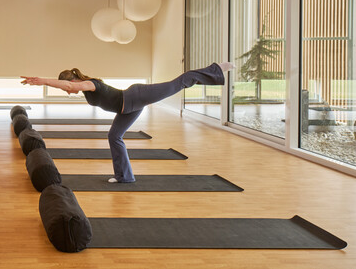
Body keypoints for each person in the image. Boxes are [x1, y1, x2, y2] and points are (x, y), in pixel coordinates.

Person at [20, 62, 234, 183]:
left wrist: (42, 81)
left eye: (68, 86)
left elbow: (70, 86)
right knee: (114, 136)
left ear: (73, 81)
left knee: (179, 83)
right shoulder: (84, 87)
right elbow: (68, 87)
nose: (68, 90)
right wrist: (44, 83)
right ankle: (125, 176)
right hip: (127, 108)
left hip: (136, 96)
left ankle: (217, 70)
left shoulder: (90, 84)